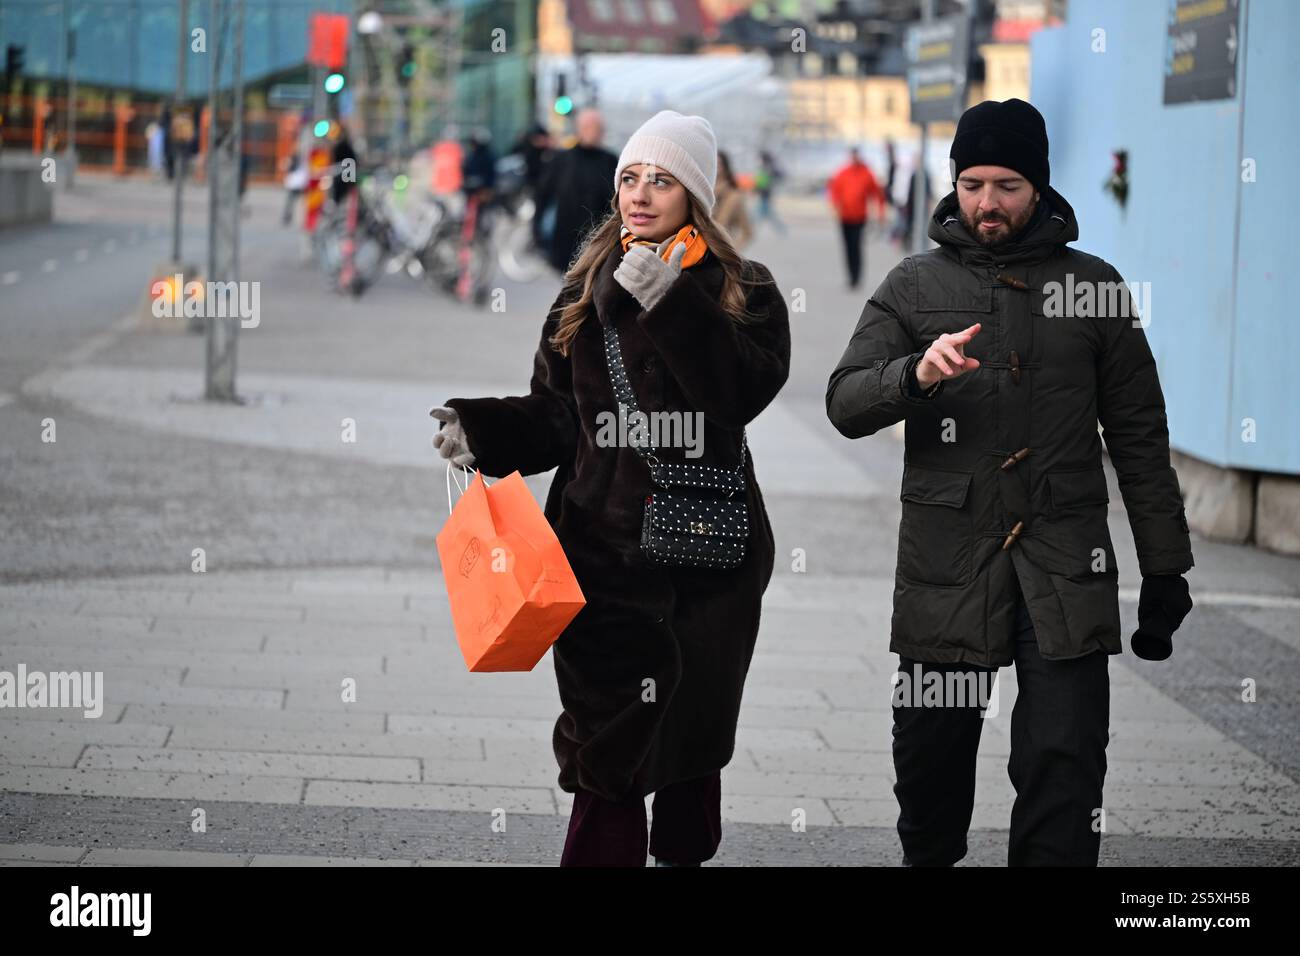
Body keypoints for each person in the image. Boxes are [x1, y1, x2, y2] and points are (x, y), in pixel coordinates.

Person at [825, 98, 1194, 867]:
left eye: (1008, 185)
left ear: (1041, 189)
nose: (987, 202)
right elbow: (845, 402)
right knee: (931, 760)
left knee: (1064, 763)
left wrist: (1166, 566)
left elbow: (1139, 440)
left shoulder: (1094, 287)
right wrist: (915, 376)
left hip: (1063, 560)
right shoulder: (912, 286)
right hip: (947, 559)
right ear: (954, 182)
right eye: (972, 183)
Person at [430, 109, 791, 867]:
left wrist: (673, 300)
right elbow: (560, 416)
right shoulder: (583, 287)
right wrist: (481, 431)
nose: (640, 192)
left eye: (662, 179)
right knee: (607, 746)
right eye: (630, 176)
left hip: (710, 561)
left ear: (695, 193)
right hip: (601, 556)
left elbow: (739, 396)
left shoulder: (743, 289)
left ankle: (686, 848)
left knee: (692, 730)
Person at [531, 108, 618, 274]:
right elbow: (542, 194)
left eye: (597, 127)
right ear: (579, 129)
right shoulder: (562, 159)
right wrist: (536, 228)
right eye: (588, 126)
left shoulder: (610, 160)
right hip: (566, 239)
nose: (593, 132)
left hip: (599, 239)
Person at [827, 147, 888, 289]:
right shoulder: (843, 172)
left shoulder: (866, 173)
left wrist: (880, 213)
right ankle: (850, 276)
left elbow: (877, 194)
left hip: (859, 217)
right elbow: (834, 190)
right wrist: (835, 207)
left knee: (856, 245)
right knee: (848, 247)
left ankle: (857, 276)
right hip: (844, 217)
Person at [712, 150, 753, 250]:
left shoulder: (734, 195)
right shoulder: (702, 191)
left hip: (722, 251)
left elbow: (747, 231)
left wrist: (734, 251)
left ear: (726, 167)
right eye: (713, 163)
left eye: (719, 164)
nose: (716, 167)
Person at [753, 149, 786, 235]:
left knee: (759, 215)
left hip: (765, 195)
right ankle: (782, 230)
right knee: (768, 215)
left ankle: (751, 231)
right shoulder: (767, 167)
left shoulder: (767, 168)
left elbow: (763, 183)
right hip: (765, 195)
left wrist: (756, 188)